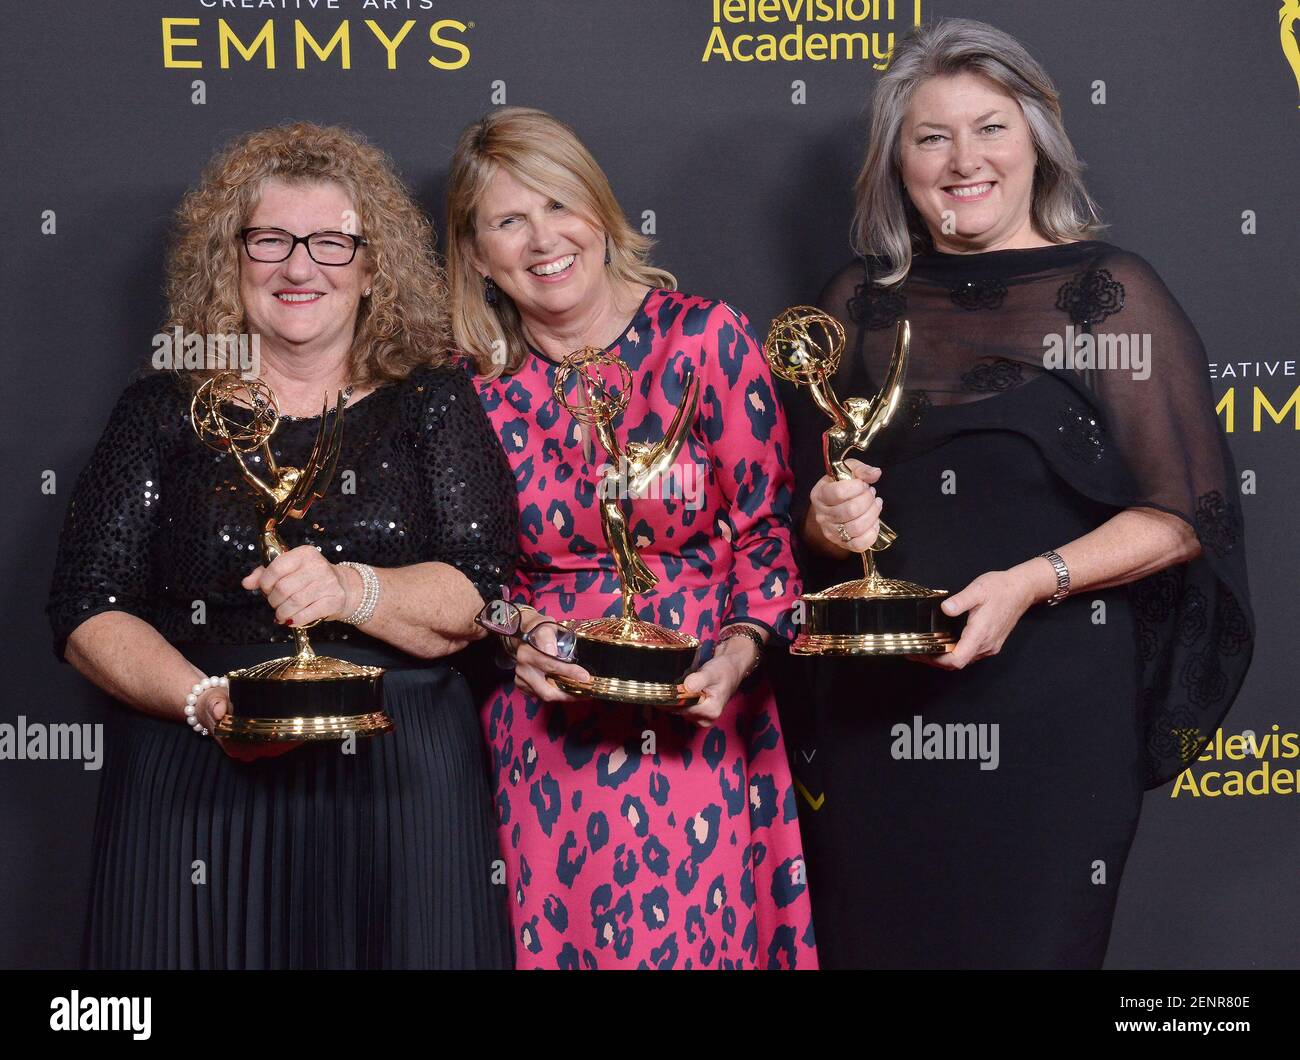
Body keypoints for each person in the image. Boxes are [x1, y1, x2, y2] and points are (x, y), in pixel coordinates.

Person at [785, 19, 1254, 969]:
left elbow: (1186, 516)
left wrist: (1031, 581)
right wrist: (829, 523)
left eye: (991, 127)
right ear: (897, 163)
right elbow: (814, 520)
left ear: (1037, 140)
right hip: (881, 710)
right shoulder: (856, 303)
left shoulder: (1108, 293)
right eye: (932, 137)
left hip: (1051, 708)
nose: (965, 160)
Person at [47, 122, 516, 969]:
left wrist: (351, 589)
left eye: (333, 242)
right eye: (270, 239)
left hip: (400, 785)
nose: (299, 268)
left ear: (374, 268)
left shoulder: (432, 402)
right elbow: (87, 606)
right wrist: (208, 704)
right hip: (196, 781)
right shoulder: (162, 409)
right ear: (231, 259)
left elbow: (479, 592)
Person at [445, 107, 817, 969]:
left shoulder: (706, 339)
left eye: (559, 205)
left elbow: (767, 544)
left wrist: (739, 653)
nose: (544, 239)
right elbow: (470, 578)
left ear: (600, 212)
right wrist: (513, 641)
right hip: (547, 732)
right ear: (475, 254)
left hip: (700, 716)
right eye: (509, 220)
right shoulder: (472, 389)